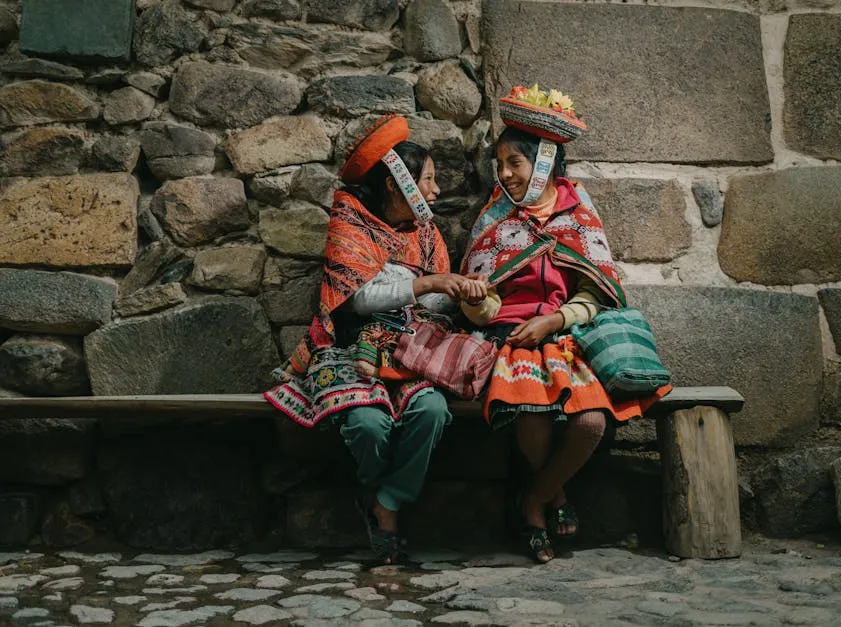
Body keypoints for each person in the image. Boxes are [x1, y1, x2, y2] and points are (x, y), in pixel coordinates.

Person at [460, 85, 670, 563]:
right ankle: (546, 506)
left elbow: (598, 289)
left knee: (591, 423)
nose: (506, 174)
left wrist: (554, 318)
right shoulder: (496, 215)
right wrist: (477, 303)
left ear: (546, 161)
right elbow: (484, 295)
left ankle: (536, 495)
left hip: (567, 335)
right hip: (509, 339)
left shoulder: (578, 212)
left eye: (515, 163)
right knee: (531, 414)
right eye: (501, 165)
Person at [265, 114, 487, 564]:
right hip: (351, 348)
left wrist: (464, 296)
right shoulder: (349, 221)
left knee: (431, 410)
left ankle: (386, 500)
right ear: (394, 184)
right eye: (427, 180)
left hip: (411, 349)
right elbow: (356, 297)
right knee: (367, 425)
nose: (436, 192)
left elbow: (438, 305)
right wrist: (427, 284)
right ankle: (374, 489)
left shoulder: (426, 233)